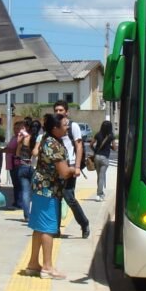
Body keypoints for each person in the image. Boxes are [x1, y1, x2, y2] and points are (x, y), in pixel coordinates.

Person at [21, 114, 80, 280]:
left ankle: (33, 264)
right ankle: (47, 267)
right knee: (48, 228)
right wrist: (74, 170)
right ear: (55, 128)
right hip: (48, 190)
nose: (67, 127)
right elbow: (63, 171)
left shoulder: (47, 138)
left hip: (41, 189)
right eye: (65, 125)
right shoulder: (53, 144)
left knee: (39, 227)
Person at [53, 100, 90, 239]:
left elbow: (79, 146)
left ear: (67, 112)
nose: (58, 112)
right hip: (56, 167)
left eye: (61, 110)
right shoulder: (53, 127)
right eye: (56, 110)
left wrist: (77, 167)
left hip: (70, 166)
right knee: (55, 198)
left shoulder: (73, 126)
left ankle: (84, 223)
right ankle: (55, 229)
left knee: (69, 197)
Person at [4, 119, 28, 210]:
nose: (16, 129)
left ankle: (20, 203)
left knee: (19, 184)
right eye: (15, 128)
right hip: (11, 163)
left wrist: (5, 150)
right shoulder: (14, 137)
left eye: (18, 128)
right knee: (15, 184)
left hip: (17, 163)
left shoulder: (22, 138)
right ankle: (16, 201)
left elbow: (15, 150)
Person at [90, 121, 115, 202]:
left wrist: (95, 151)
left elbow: (91, 144)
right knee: (101, 176)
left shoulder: (98, 134)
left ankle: (101, 193)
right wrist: (110, 146)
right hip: (104, 158)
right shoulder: (111, 136)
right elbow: (115, 148)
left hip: (97, 157)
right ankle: (99, 194)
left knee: (99, 176)